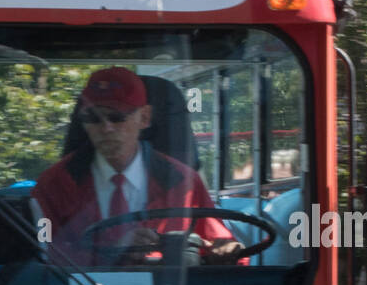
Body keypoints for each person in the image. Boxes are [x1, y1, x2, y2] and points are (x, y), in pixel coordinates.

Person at [33, 67, 242, 266]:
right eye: (93, 118)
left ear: (144, 117)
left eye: (117, 117)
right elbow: (44, 254)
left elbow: (220, 243)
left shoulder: (183, 182)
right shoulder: (53, 185)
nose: (106, 128)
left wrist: (227, 251)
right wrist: (113, 252)